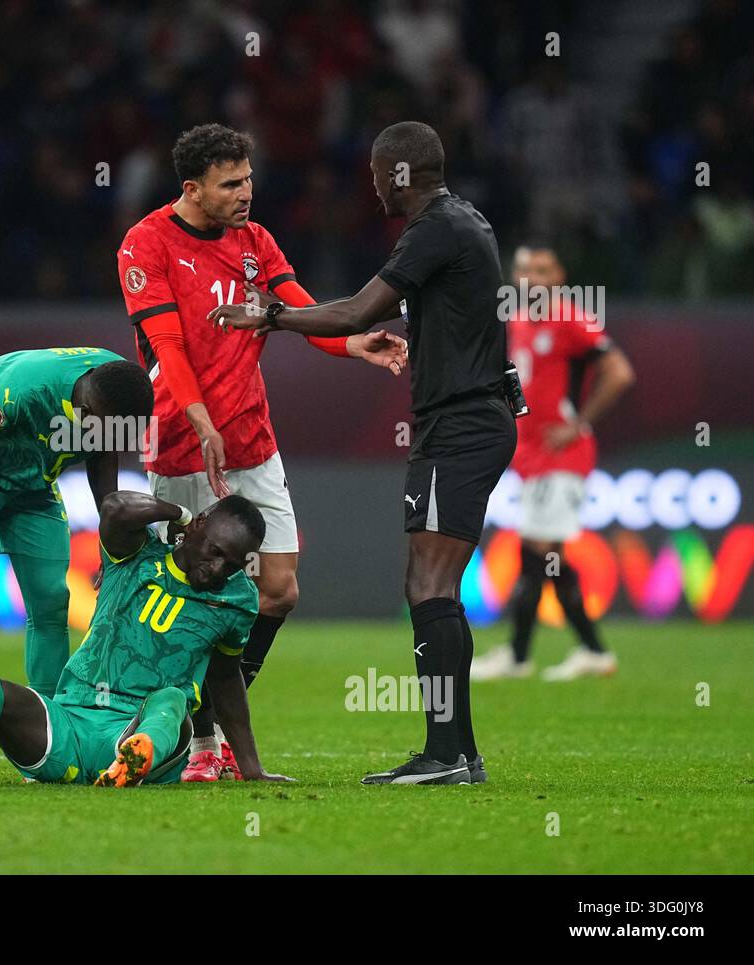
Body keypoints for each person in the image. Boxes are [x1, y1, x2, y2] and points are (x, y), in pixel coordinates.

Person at [215, 121, 514, 785]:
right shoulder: (467, 222)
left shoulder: (437, 227)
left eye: (378, 173)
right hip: (471, 418)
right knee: (434, 587)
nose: (372, 184)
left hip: (459, 423)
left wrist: (271, 317)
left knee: (428, 585)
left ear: (400, 173)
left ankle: (447, 755)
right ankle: (457, 753)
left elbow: (357, 313)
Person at [117, 123, 408, 781]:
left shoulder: (255, 241)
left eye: (248, 178)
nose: (246, 192)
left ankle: (211, 725)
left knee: (277, 589)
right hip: (184, 450)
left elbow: (298, 310)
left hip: (251, 441)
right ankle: (196, 748)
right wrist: (199, 418)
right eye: (230, 184)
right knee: (199, 599)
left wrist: (355, 341)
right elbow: (168, 347)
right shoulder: (145, 243)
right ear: (192, 189)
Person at [0, 491, 289, 787]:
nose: (216, 569)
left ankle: (136, 757)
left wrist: (252, 769)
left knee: (173, 698)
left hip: (147, 726)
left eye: (230, 563)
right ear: (199, 526)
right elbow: (115, 508)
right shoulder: (133, 555)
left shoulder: (237, 600)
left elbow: (227, 681)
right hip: (67, 724)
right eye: (214, 551)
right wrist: (180, 513)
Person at [0, 348, 154, 782]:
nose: (111, 436)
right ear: (83, 410)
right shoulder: (19, 393)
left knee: (50, 601)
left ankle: (46, 734)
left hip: (29, 481)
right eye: (103, 428)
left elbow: (103, 462)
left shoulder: (114, 390)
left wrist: (111, 542)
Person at [473, 245, 635, 682]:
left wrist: (578, 423)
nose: (532, 278)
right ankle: (592, 651)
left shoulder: (569, 317)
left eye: (542, 270)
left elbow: (619, 372)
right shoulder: (519, 323)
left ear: (559, 275)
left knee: (536, 552)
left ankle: (518, 656)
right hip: (531, 458)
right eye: (524, 270)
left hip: (561, 456)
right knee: (548, 558)